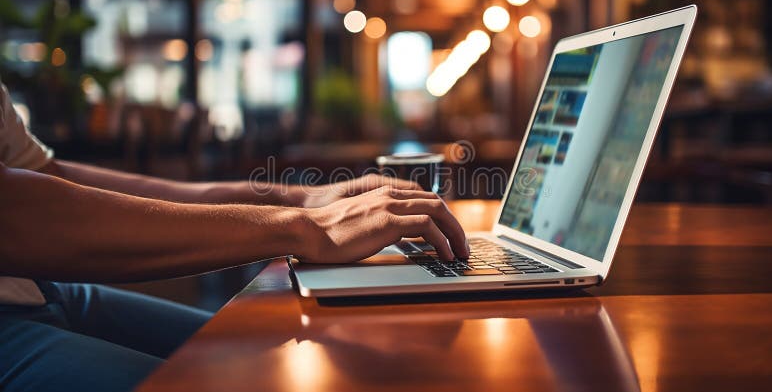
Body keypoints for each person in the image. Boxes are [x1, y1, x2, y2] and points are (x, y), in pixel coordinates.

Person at [0, 80, 468, 392]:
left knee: (266, 367)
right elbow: (14, 217)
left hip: (43, 291)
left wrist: (299, 202)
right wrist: (306, 229)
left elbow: (49, 178)